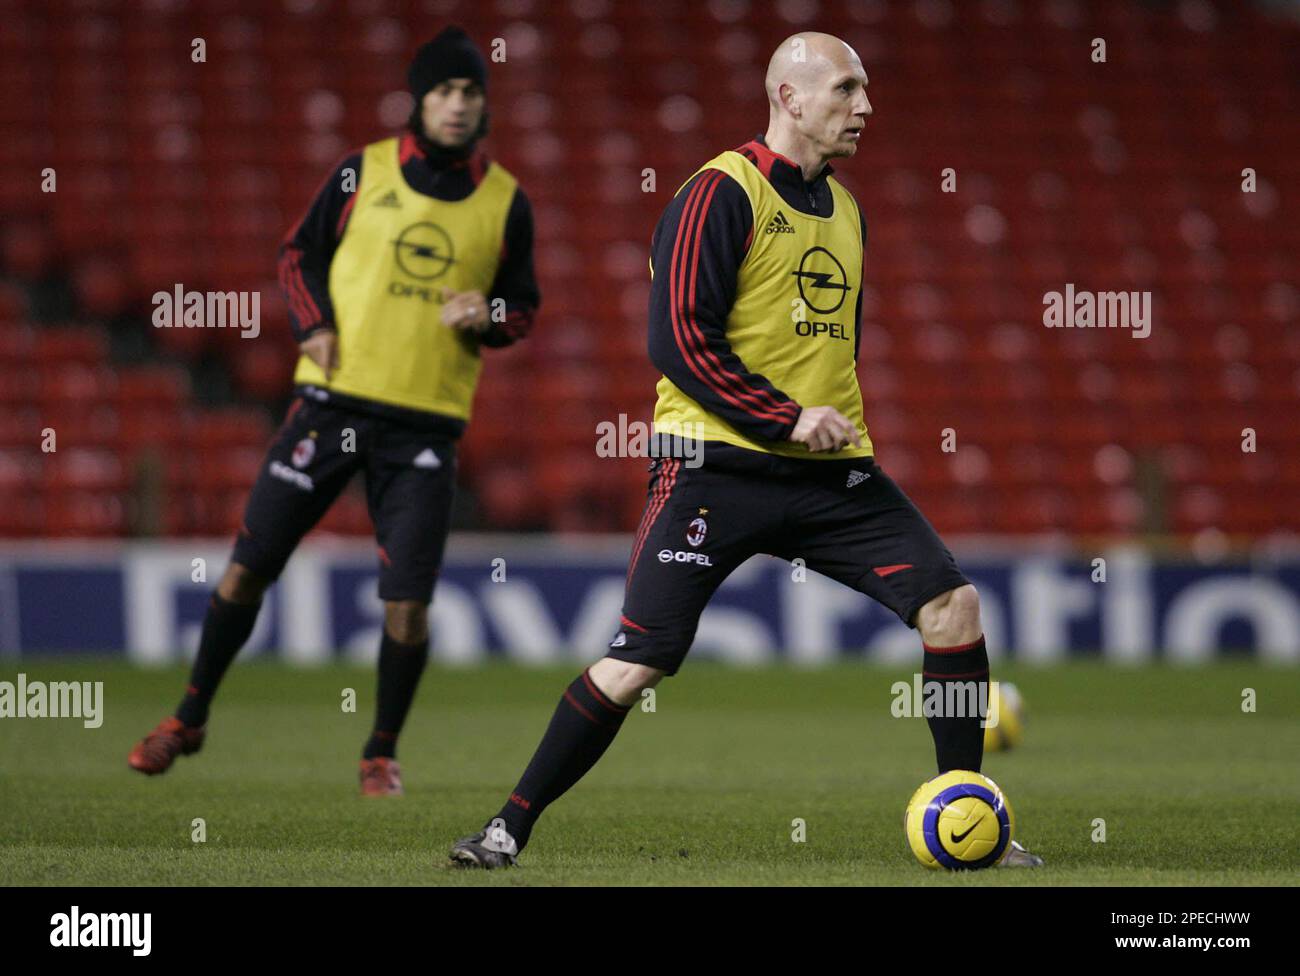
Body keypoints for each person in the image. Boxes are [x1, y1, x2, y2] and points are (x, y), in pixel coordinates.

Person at [449, 31, 1040, 867]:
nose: (864, 106)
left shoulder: (848, 211)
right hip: (713, 468)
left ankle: (971, 822)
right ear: (789, 98)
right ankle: (507, 827)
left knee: (955, 608)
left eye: (866, 90)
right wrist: (784, 416)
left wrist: (823, 432)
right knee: (639, 661)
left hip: (833, 478)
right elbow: (678, 342)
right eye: (845, 89)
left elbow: (838, 351)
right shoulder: (716, 194)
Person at [128, 26, 540, 796]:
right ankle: (187, 716)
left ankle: (379, 751)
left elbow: (524, 312)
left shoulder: (507, 203)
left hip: (424, 424)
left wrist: (486, 311)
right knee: (248, 571)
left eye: (470, 94)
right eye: (444, 91)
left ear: (484, 108)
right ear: (420, 99)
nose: (456, 105)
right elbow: (297, 254)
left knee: (410, 608)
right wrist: (312, 323)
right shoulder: (362, 173)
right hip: (330, 404)